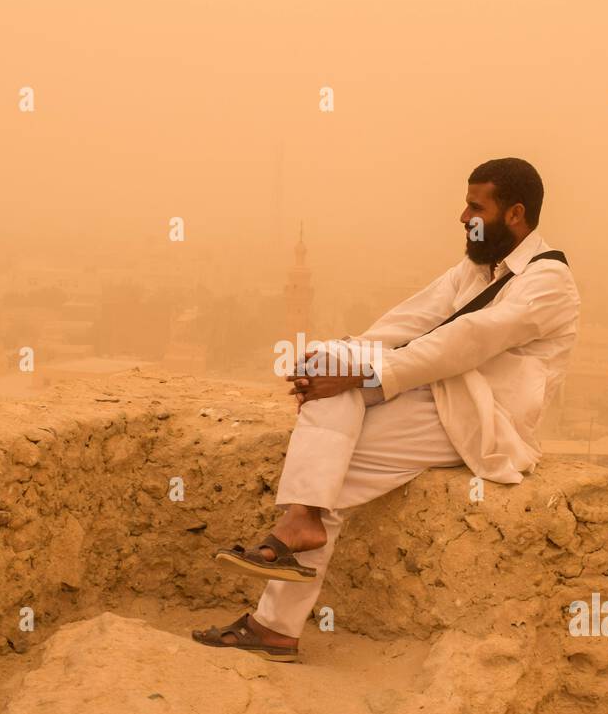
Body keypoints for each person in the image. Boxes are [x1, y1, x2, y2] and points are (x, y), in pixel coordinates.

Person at [192, 157, 581, 662]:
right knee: (334, 384)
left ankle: (280, 604)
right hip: (440, 399)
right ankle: (295, 549)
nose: (463, 217)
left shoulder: (548, 283)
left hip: (485, 424)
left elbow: (465, 341)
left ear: (515, 213)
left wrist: (360, 374)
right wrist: (332, 358)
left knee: (333, 464)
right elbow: (407, 322)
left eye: (475, 206)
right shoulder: (475, 271)